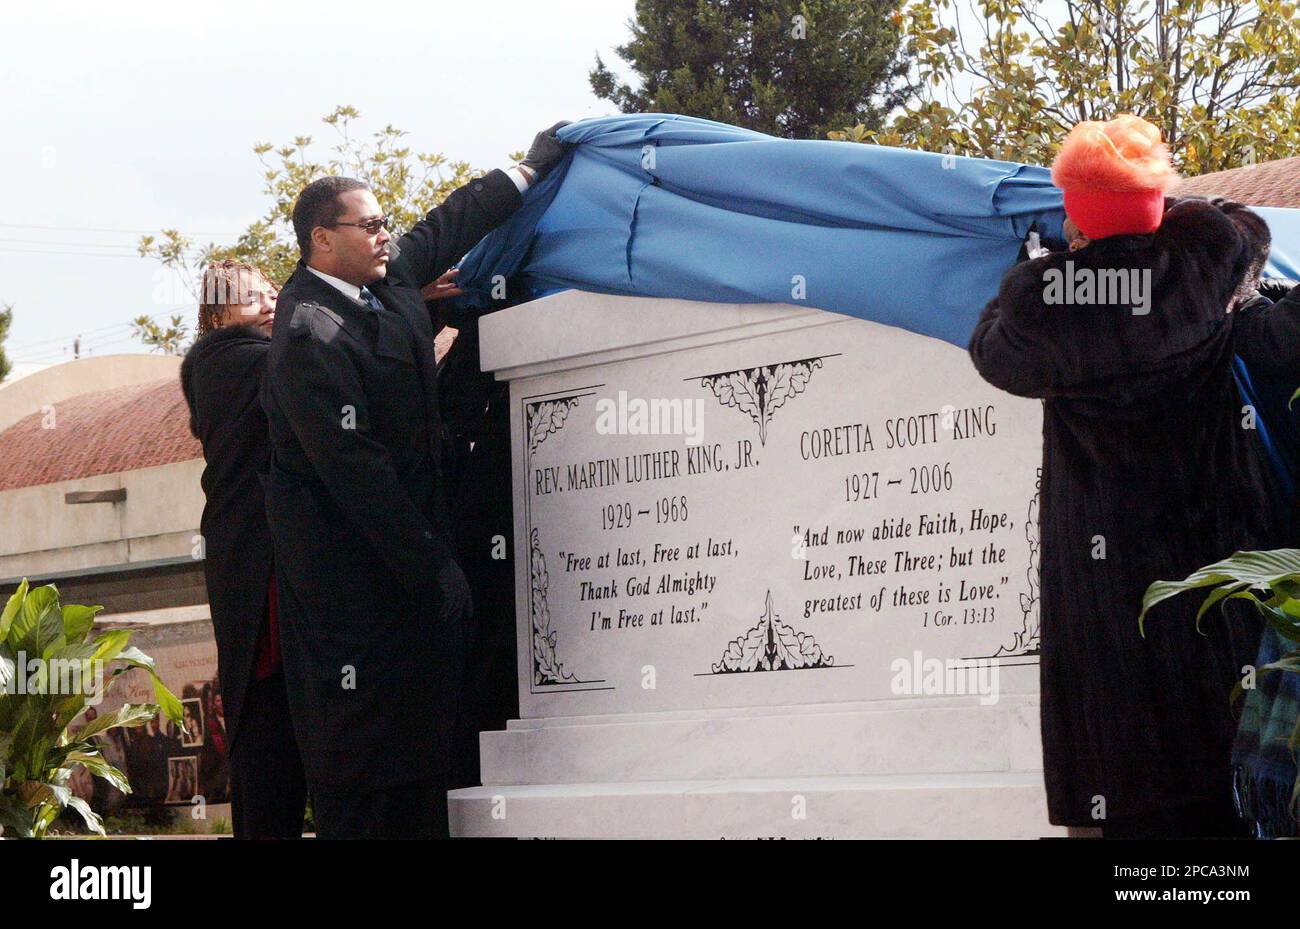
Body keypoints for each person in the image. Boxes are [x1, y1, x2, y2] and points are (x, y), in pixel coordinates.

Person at [969, 114, 1286, 838]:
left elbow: (991, 348)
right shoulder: (1205, 260)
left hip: (1108, 600)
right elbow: (1245, 230)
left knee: (1136, 803)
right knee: (1232, 787)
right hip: (1218, 571)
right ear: (1157, 198)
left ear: (1075, 213)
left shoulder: (1038, 304)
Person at [261, 121, 570, 839]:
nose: (383, 234)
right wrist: (432, 564)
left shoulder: (388, 279)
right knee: (365, 771)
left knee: (420, 761)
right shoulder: (308, 332)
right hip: (353, 589)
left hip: (409, 578)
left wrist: (527, 169)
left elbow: (451, 220)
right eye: (366, 225)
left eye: (382, 223)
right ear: (321, 241)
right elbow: (355, 472)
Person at [180, 259, 307, 838]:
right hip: (251, 561)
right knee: (262, 715)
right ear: (218, 314)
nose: (269, 303)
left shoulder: (262, 357)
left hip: (262, 558)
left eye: (272, 293)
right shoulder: (226, 361)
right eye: (252, 297)